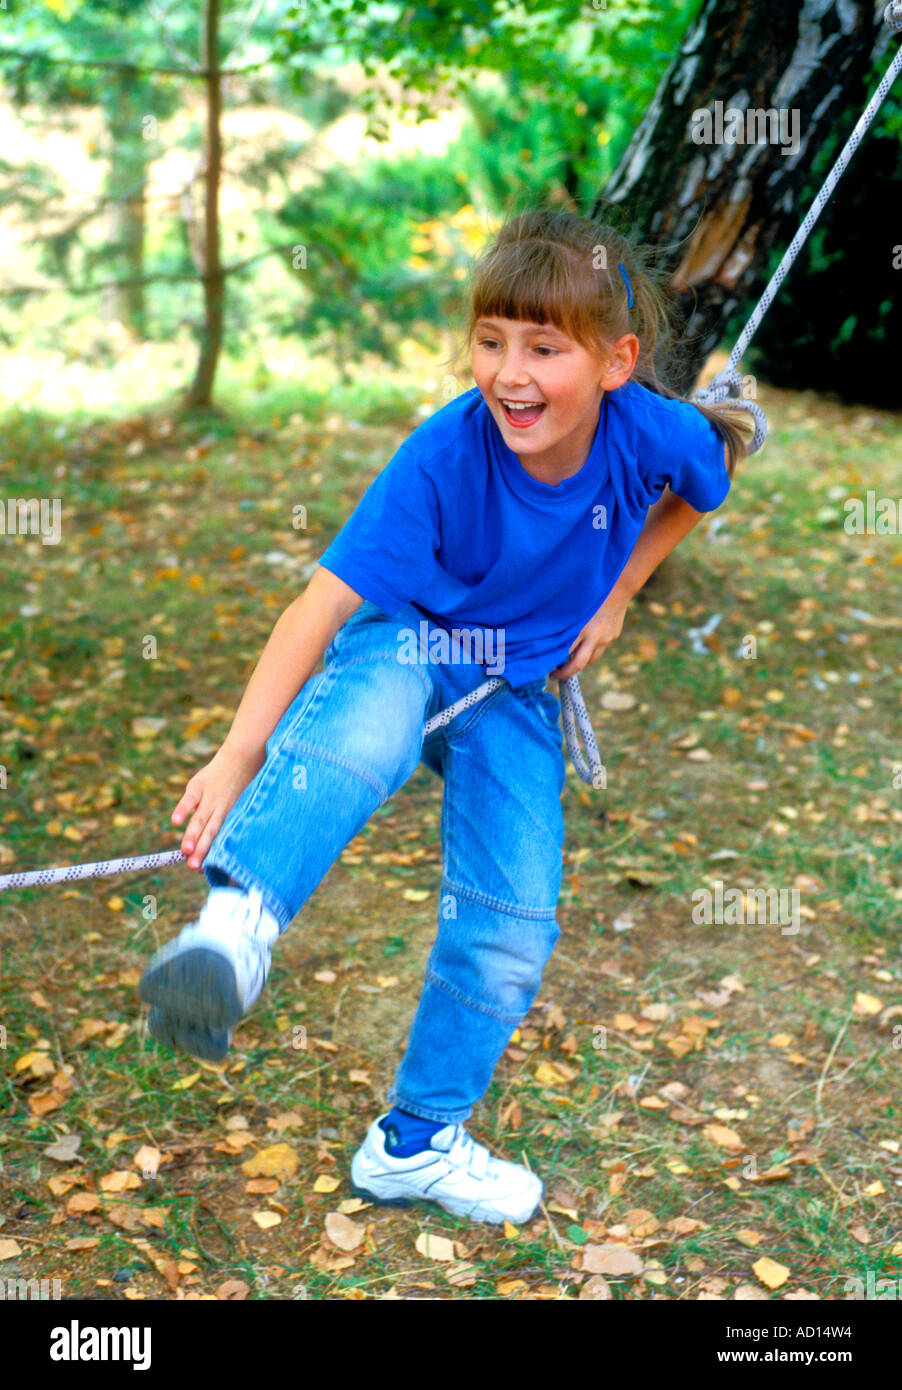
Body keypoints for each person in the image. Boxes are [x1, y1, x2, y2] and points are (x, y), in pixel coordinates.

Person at [139, 207, 750, 1225]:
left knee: (512, 921)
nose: (509, 372)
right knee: (360, 734)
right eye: (490, 340)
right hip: (411, 645)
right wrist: (240, 753)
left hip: (510, 693)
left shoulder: (653, 428)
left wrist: (620, 591)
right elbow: (322, 605)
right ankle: (236, 925)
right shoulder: (441, 455)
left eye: (543, 348)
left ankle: (414, 1142)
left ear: (615, 362)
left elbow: (707, 480)